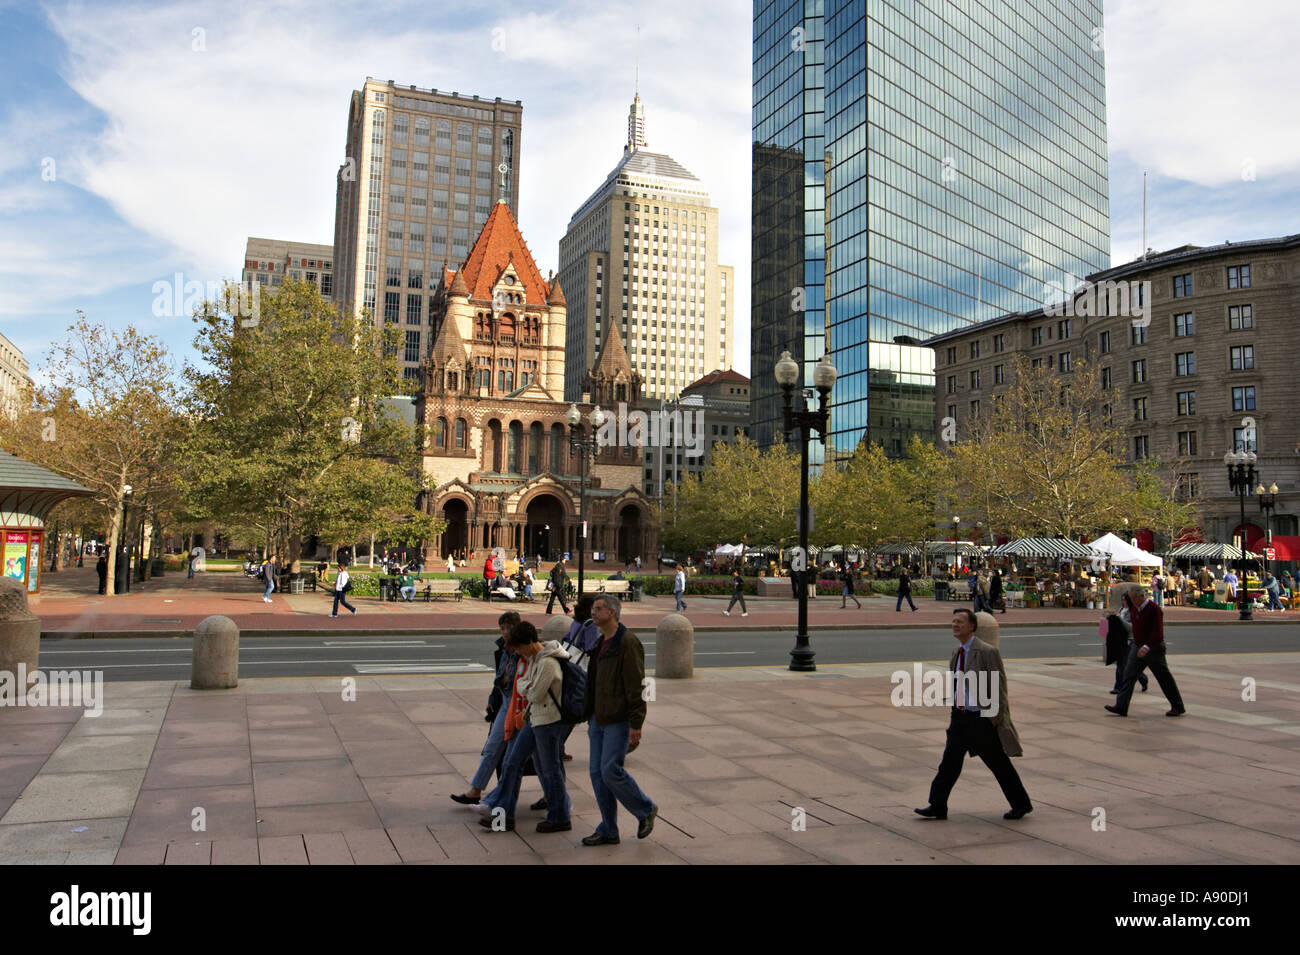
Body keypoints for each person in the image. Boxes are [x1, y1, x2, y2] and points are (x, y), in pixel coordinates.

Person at [915, 609, 1033, 821]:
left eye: (959, 621)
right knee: (949, 763)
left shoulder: (986, 652)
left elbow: (999, 686)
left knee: (998, 763)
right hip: (960, 718)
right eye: (953, 621)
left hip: (981, 719)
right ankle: (937, 805)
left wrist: (995, 716)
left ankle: (1021, 804)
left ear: (972, 626)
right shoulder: (956, 653)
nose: (955, 625)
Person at [581, 595, 656, 846]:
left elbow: (638, 686)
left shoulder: (627, 643)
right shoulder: (600, 641)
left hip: (618, 720)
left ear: (612, 612)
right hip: (598, 718)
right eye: (593, 608)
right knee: (596, 773)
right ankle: (608, 829)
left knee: (610, 771)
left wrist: (637, 723)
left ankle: (645, 810)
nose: (593, 612)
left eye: (598, 609)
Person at [507, 621, 573, 833]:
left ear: (529, 642)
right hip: (534, 717)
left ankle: (560, 816)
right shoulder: (535, 658)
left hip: (547, 721)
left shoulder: (547, 663)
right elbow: (521, 684)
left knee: (550, 769)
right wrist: (528, 686)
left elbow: (533, 694)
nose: (519, 652)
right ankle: (503, 813)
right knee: (513, 762)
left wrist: (527, 687)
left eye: (519, 647)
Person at [451, 612, 521, 806]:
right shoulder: (503, 649)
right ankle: (476, 790)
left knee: (531, 758)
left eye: (508, 628)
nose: (505, 632)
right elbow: (499, 679)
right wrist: (493, 698)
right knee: (492, 748)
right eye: (502, 628)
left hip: (520, 706)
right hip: (506, 702)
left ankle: (557, 800)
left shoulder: (523, 650)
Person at [1106, 584, 1185, 718]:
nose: (1132, 601)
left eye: (1134, 598)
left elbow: (1157, 633)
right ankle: (1121, 706)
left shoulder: (1154, 609)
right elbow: (1135, 629)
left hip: (1153, 648)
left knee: (1163, 677)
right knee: (1128, 675)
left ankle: (1177, 706)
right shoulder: (1135, 609)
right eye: (1130, 598)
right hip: (1137, 646)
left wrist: (1147, 647)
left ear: (1141, 596)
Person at [1102, 606, 1148, 694]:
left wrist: (1119, 618)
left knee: (1126, 665)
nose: (1124, 602)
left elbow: (1130, 627)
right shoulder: (1121, 609)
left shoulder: (1133, 611)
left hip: (1129, 641)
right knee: (1121, 664)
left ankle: (1141, 678)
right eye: (1122, 600)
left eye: (1125, 600)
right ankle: (1118, 687)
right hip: (1120, 640)